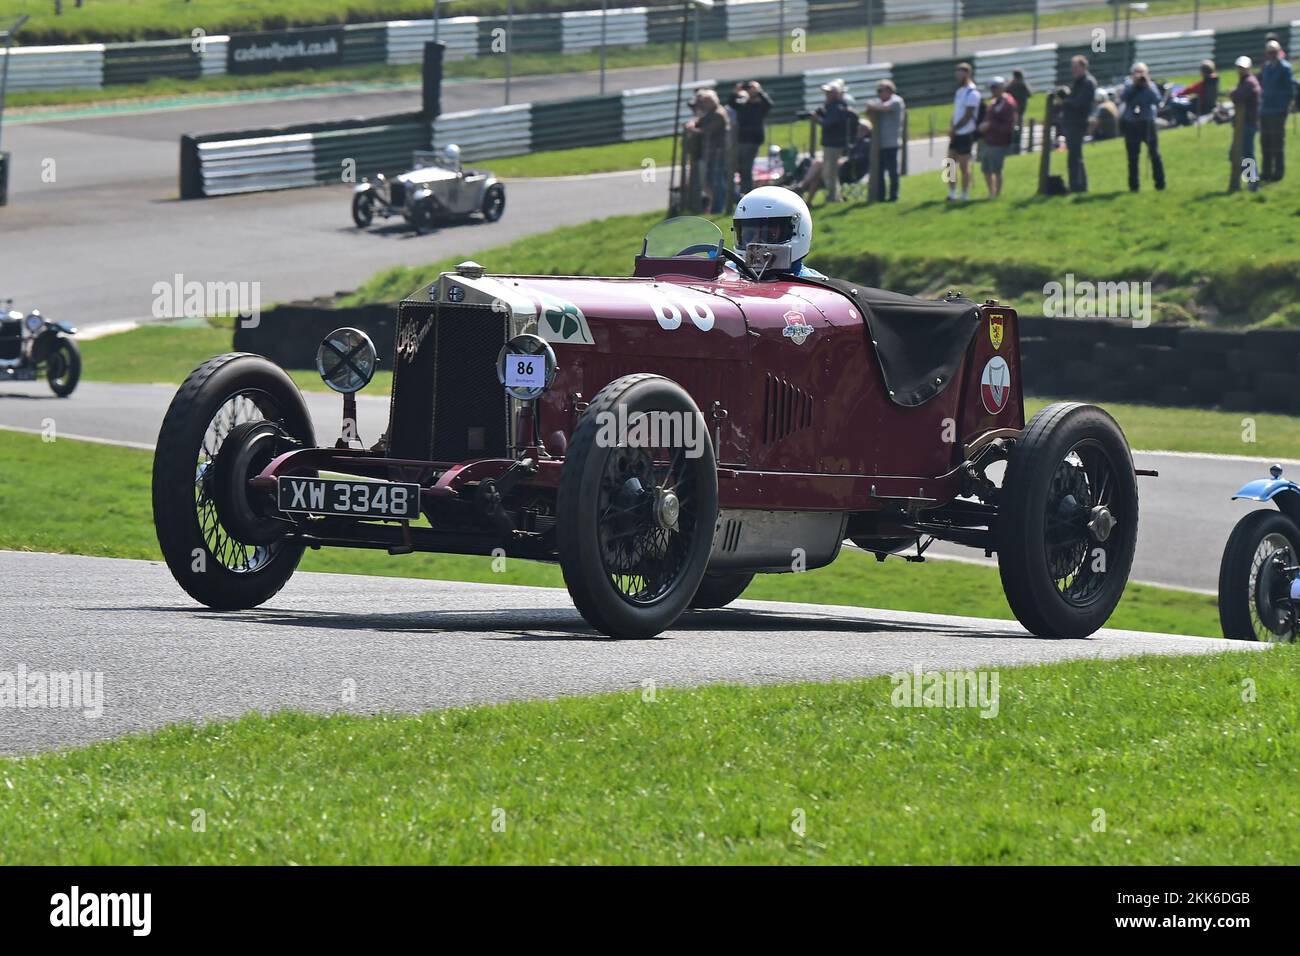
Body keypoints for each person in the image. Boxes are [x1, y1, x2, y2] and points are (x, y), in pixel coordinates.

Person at [731, 186, 824, 279]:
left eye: (767, 235)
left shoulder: (815, 288)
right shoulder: (725, 272)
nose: (755, 244)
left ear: (798, 231)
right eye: (748, 236)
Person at [796, 119, 871, 202]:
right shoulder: (856, 140)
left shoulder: (866, 143)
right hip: (844, 168)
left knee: (819, 163)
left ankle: (801, 186)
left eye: (860, 128)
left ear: (866, 130)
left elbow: (859, 160)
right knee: (818, 176)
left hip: (852, 172)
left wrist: (845, 160)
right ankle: (808, 202)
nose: (857, 130)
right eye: (857, 128)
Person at [1119, 62, 1165, 192]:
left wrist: (1147, 85)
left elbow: (1157, 101)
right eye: (1137, 73)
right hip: (1131, 124)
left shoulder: (1150, 85)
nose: (1140, 76)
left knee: (1154, 154)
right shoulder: (1128, 84)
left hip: (1147, 123)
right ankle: (1133, 186)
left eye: (1142, 72)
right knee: (1132, 157)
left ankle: (1160, 184)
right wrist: (1134, 85)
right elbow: (1123, 98)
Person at [684, 89, 730, 214]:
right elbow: (699, 120)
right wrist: (692, 123)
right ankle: (724, 203)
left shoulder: (718, 114)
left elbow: (707, 130)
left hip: (718, 152)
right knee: (711, 181)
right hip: (711, 152)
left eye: (706, 102)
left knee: (717, 181)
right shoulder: (710, 113)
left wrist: (693, 130)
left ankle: (719, 208)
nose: (703, 105)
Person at [1060, 55, 1098, 192]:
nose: (1073, 70)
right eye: (1072, 68)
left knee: (1075, 157)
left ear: (1083, 67)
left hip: (1078, 122)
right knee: (1074, 156)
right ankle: (1076, 185)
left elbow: (1079, 103)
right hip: (1073, 122)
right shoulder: (1079, 82)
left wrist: (1065, 100)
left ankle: (1078, 186)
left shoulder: (1087, 82)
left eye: (1076, 67)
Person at [728, 81, 773, 196]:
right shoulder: (742, 104)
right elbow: (731, 103)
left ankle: (747, 192)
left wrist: (759, 91)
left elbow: (769, 104)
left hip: (753, 140)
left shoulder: (760, 106)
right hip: (741, 139)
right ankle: (743, 191)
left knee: (746, 167)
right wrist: (736, 92)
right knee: (738, 167)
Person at [813, 79, 856, 203]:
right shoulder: (833, 106)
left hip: (834, 144)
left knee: (829, 172)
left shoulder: (837, 107)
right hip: (830, 143)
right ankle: (836, 196)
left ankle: (834, 197)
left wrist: (818, 120)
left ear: (836, 93)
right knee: (828, 172)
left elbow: (829, 124)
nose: (826, 95)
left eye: (829, 92)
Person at [1259, 39, 1293, 182]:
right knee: (1265, 142)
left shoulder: (1285, 68)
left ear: (1279, 52)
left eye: (1274, 52)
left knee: (1277, 143)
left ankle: (1278, 174)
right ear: (1266, 54)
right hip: (1265, 110)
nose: (1272, 55)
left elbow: (1289, 91)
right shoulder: (1266, 68)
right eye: (1269, 52)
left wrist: (1284, 106)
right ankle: (1266, 172)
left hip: (1278, 111)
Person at [866, 79, 905, 202]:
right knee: (879, 172)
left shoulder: (896, 101)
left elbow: (883, 108)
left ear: (889, 90)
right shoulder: (879, 102)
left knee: (893, 172)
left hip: (891, 142)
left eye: (880, 91)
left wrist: (871, 105)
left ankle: (894, 196)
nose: (879, 94)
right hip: (879, 143)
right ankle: (881, 196)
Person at [978, 77, 1017, 199]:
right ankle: (991, 192)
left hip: (1000, 142)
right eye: (991, 88)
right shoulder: (994, 103)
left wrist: (990, 126)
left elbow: (1008, 126)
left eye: (995, 88)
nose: (992, 91)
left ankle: (997, 194)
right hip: (989, 140)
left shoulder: (1008, 104)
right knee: (985, 168)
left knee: (996, 169)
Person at [947, 62, 981, 201]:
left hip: (965, 133)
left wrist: (956, 129)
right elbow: (957, 112)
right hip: (956, 132)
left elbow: (968, 115)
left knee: (964, 165)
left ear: (967, 74)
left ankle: (964, 193)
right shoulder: (959, 91)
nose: (957, 76)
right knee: (949, 163)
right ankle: (951, 192)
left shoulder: (973, 93)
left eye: (960, 73)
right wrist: (951, 126)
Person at [1231, 55, 1262, 191]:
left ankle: (1253, 180)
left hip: (1248, 123)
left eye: (1243, 68)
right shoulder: (1245, 81)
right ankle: (1251, 179)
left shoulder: (1249, 82)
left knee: (1245, 153)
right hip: (1245, 123)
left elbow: (1238, 96)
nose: (1240, 70)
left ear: (1249, 68)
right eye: (1239, 68)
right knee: (1242, 153)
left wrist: (1232, 93)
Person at [1006, 69, 1031, 154]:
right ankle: (1017, 145)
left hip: (1013, 110)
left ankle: (1013, 145)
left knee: (1013, 127)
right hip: (1020, 109)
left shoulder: (1011, 85)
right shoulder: (1022, 85)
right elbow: (1029, 94)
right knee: (1018, 127)